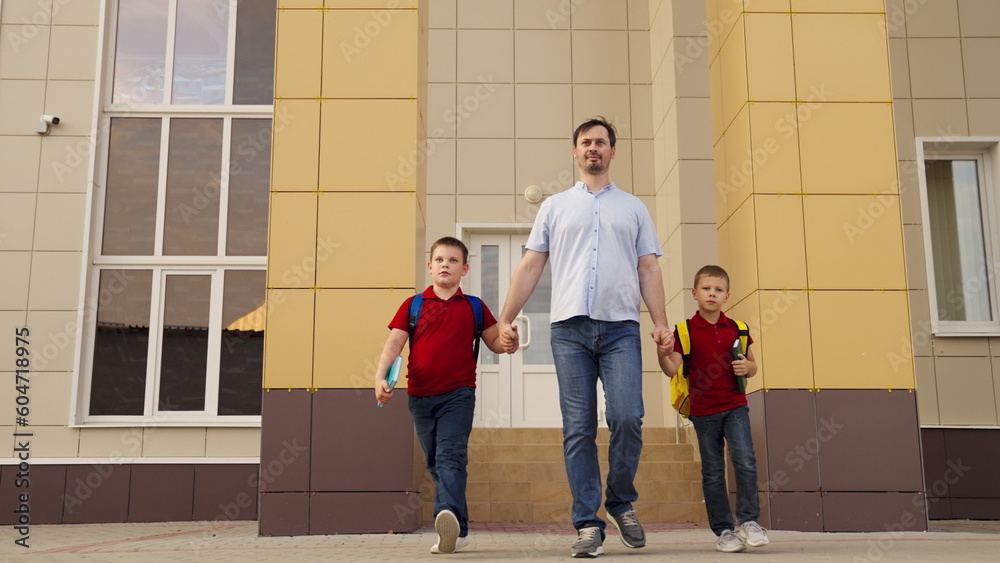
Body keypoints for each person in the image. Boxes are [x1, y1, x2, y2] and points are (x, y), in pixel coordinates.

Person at [497, 118, 671, 558]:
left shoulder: (634, 208)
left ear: (613, 152)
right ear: (575, 152)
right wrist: (504, 319)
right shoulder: (554, 207)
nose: (593, 148)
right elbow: (531, 266)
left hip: (620, 329)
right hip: (569, 331)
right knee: (578, 428)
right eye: (586, 142)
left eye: (601, 142)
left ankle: (620, 501)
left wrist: (660, 322)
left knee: (629, 417)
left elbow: (648, 268)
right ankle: (588, 523)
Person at [375, 236, 517, 554]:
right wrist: (380, 377)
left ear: (464, 268)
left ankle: (446, 516)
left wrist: (509, 340)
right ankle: (457, 524)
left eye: (453, 261)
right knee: (435, 461)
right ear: (430, 266)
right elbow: (394, 344)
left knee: (450, 456)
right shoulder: (413, 305)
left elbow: (496, 342)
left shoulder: (474, 307)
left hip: (459, 395)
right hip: (420, 395)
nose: (445, 265)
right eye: (440, 260)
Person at [656, 265, 769, 553]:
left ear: (726, 296)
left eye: (718, 290)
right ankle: (724, 531)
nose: (712, 294)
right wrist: (663, 352)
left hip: (735, 405)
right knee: (713, 471)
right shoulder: (685, 330)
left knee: (745, 459)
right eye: (706, 289)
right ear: (694, 293)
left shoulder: (738, 328)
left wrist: (750, 367)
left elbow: (753, 366)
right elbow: (672, 370)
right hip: (703, 411)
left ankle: (749, 521)